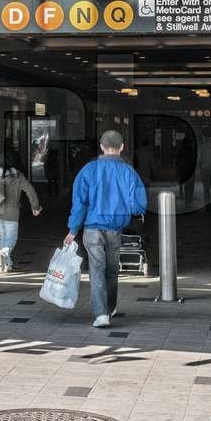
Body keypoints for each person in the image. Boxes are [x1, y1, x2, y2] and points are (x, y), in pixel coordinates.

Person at [64, 130, 147, 328]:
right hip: (116, 228)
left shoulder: (88, 170)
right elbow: (138, 205)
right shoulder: (129, 172)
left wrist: (72, 230)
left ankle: (101, 314)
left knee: (97, 269)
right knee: (111, 270)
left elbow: (80, 203)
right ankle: (110, 308)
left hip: (92, 228)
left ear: (101, 146)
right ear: (122, 147)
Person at [0, 150, 41, 274]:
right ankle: (3, 254)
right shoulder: (18, 176)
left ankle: (5, 265)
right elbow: (30, 190)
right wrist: (35, 207)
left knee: (3, 236)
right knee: (12, 238)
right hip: (12, 212)